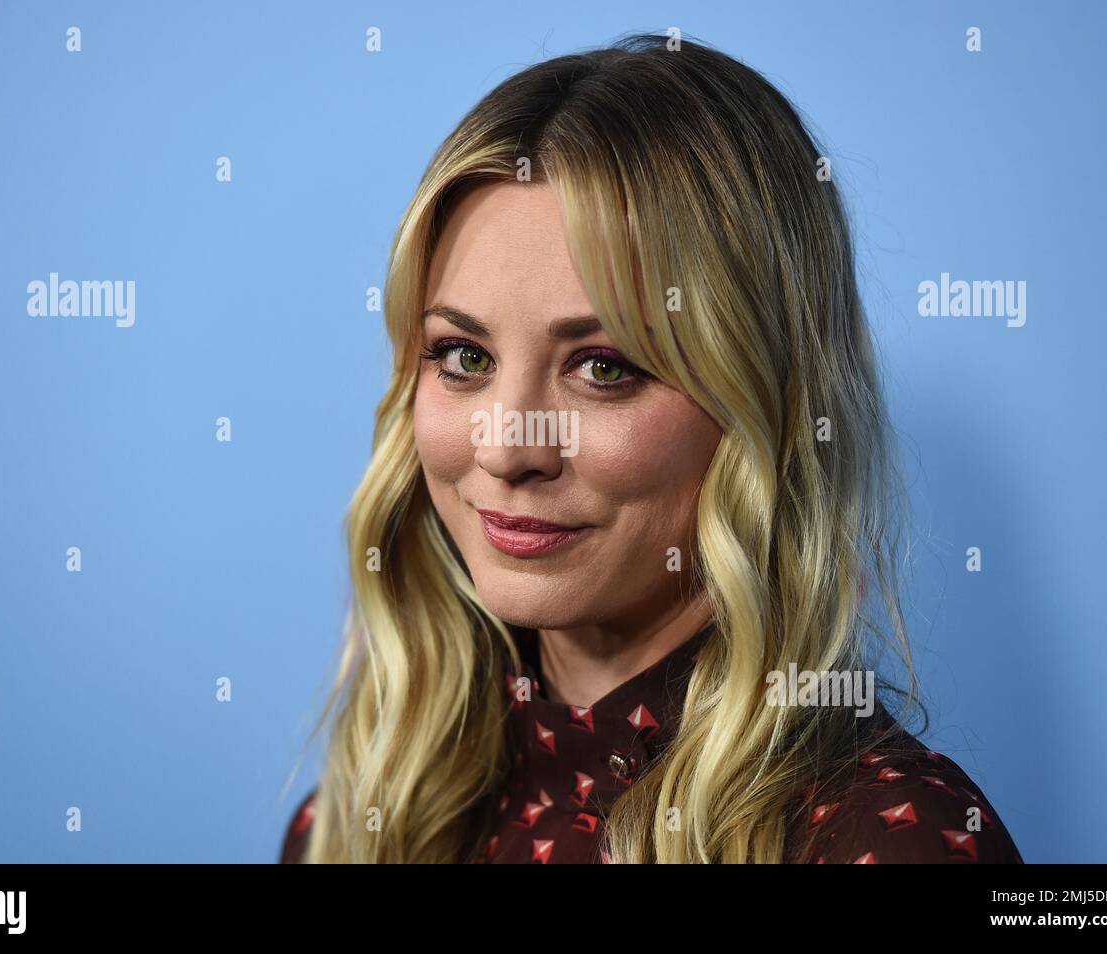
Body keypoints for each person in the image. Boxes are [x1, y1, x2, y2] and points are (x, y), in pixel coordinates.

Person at [281, 32, 1023, 864]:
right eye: (465, 358)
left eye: (602, 367)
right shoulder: (352, 821)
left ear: (763, 404)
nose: (507, 447)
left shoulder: (892, 841)